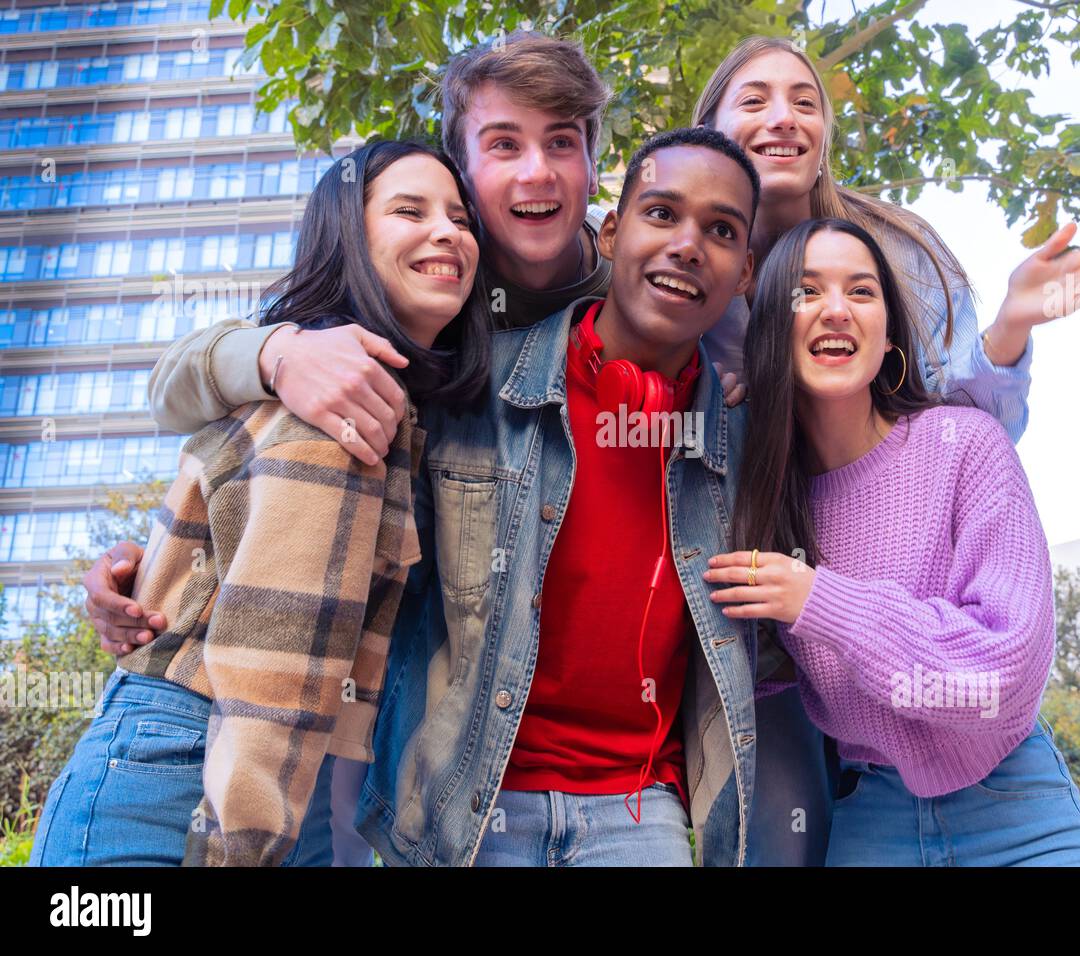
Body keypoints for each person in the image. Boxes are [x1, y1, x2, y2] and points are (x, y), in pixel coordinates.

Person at [693, 34, 1080, 865]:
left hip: (1002, 785)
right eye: (753, 100)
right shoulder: (683, 274)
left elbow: (953, 441)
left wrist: (1007, 330)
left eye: (805, 99)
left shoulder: (900, 275)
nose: (782, 117)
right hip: (849, 769)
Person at [31, 140, 490, 866]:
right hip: (191, 782)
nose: (447, 232)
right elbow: (271, 693)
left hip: (267, 790)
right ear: (348, 234)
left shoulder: (377, 405)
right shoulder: (337, 405)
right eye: (410, 210)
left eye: (461, 219)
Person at [358, 126, 762, 866]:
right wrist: (170, 571)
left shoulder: (744, 438)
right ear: (611, 232)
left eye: (722, 230)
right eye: (662, 214)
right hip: (466, 804)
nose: (688, 245)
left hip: (641, 813)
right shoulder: (473, 380)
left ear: (743, 275)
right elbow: (356, 545)